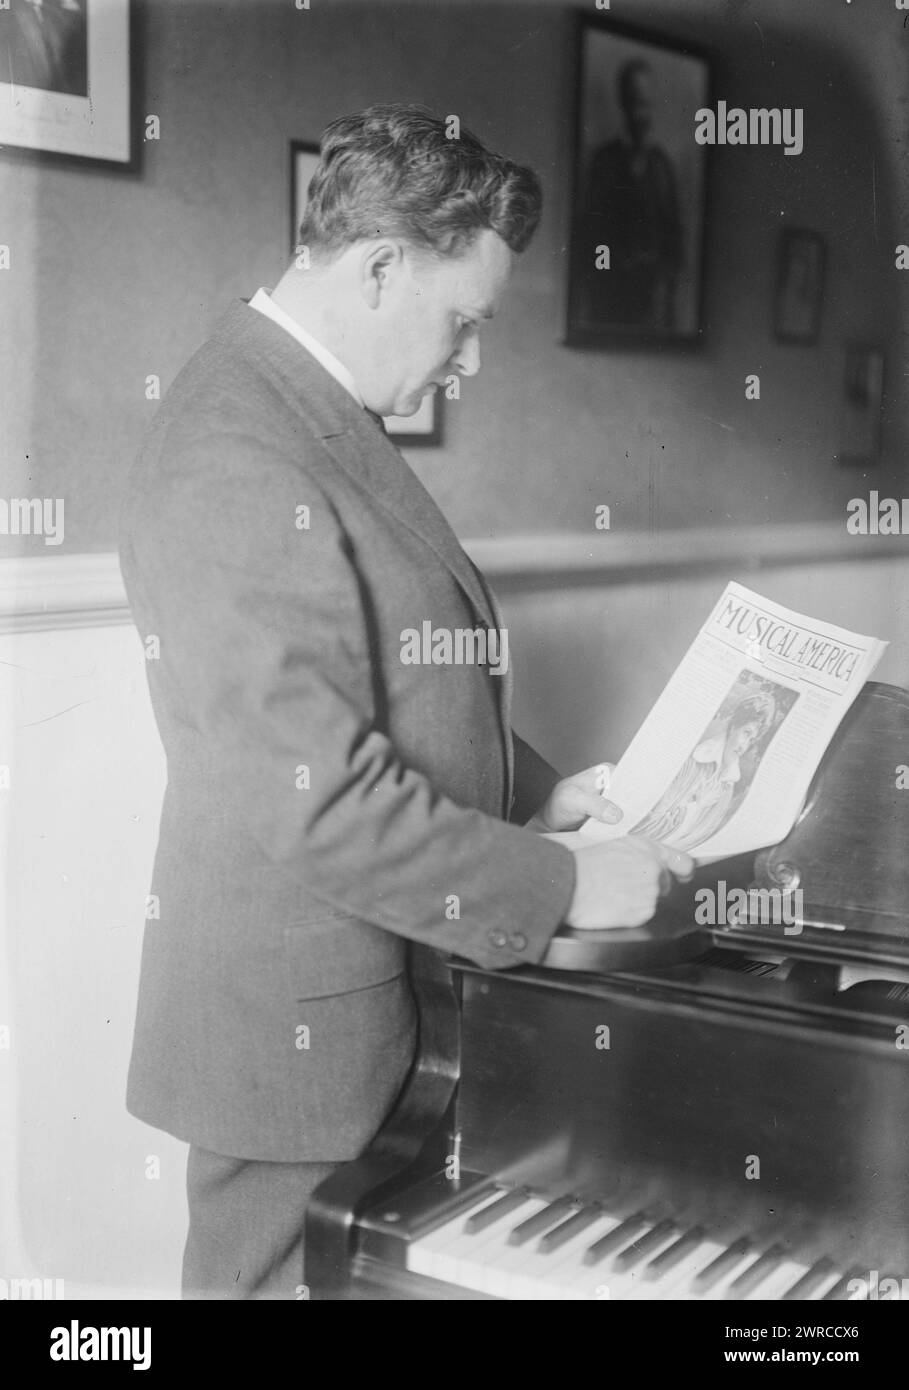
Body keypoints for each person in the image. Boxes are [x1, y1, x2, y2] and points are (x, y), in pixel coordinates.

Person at [119, 103, 693, 1300]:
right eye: (464, 322)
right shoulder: (238, 448)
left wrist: (542, 793)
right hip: (298, 1051)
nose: (470, 362)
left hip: (372, 1005)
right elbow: (319, 798)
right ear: (381, 266)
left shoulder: (304, 411)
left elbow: (391, 679)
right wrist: (568, 882)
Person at [578, 58, 683, 330]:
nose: (641, 114)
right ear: (623, 104)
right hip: (612, 303)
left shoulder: (662, 167)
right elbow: (592, 236)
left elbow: (674, 243)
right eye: (635, 103)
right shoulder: (605, 161)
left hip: (652, 310)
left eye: (647, 104)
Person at [632, 692, 777, 852]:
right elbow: (651, 821)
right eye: (746, 733)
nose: (744, 745)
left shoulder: (727, 786)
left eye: (751, 740)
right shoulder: (694, 760)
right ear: (734, 727)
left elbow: (703, 837)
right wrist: (696, 806)